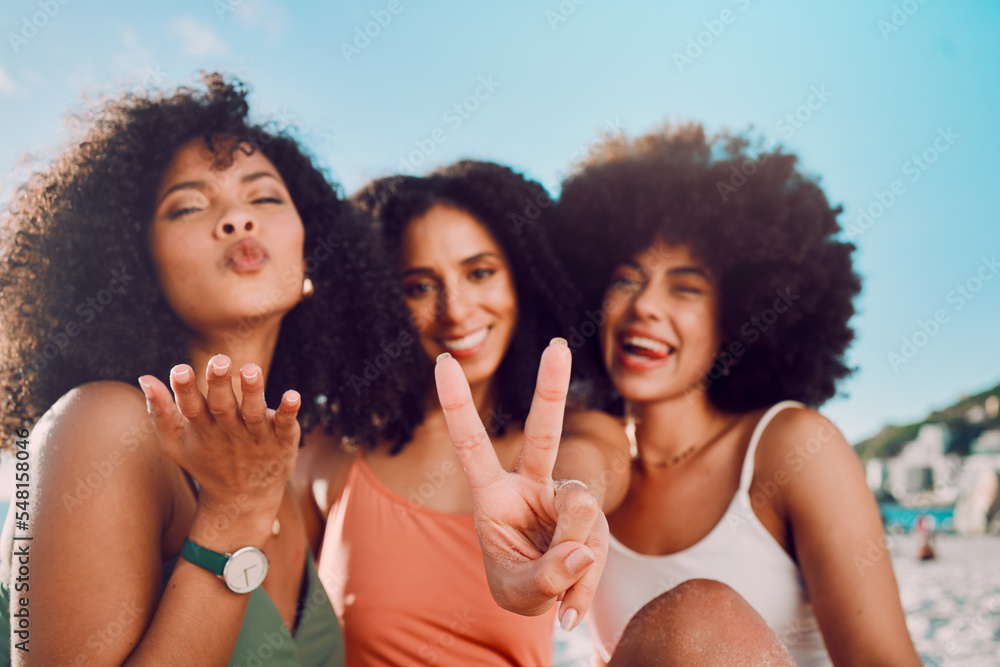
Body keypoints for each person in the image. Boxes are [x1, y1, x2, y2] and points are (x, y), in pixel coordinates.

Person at [434, 124, 921, 665]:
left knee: (701, 612)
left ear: (734, 317)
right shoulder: (600, 440)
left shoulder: (791, 445)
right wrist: (556, 513)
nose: (645, 305)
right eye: (625, 280)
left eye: (685, 287)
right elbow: (585, 469)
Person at [0, 73, 414, 666]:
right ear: (136, 264)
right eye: (188, 206)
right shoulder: (103, 426)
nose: (237, 219)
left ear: (312, 257)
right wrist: (233, 518)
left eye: (264, 197)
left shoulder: (284, 479)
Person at [299, 161, 626, 666]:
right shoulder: (331, 451)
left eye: (480, 272)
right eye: (419, 286)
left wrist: (570, 508)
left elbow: (589, 469)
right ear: (382, 302)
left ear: (521, 280)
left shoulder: (580, 432)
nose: (456, 309)